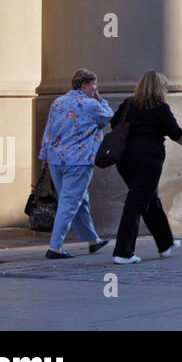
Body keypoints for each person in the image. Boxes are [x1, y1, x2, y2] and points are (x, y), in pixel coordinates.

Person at [109, 70, 182, 264]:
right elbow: (176, 133)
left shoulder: (128, 104)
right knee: (135, 203)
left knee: (150, 200)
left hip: (125, 161)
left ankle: (165, 243)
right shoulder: (160, 108)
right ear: (160, 88)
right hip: (149, 161)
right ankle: (123, 252)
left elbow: (114, 123)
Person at [38, 69, 113, 259]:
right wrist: (99, 98)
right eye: (94, 86)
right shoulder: (90, 105)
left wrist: (44, 155)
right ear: (86, 84)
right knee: (69, 203)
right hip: (79, 160)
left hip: (56, 159)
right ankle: (55, 247)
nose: (95, 89)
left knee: (80, 200)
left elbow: (49, 129)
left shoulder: (58, 102)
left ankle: (92, 240)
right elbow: (108, 115)